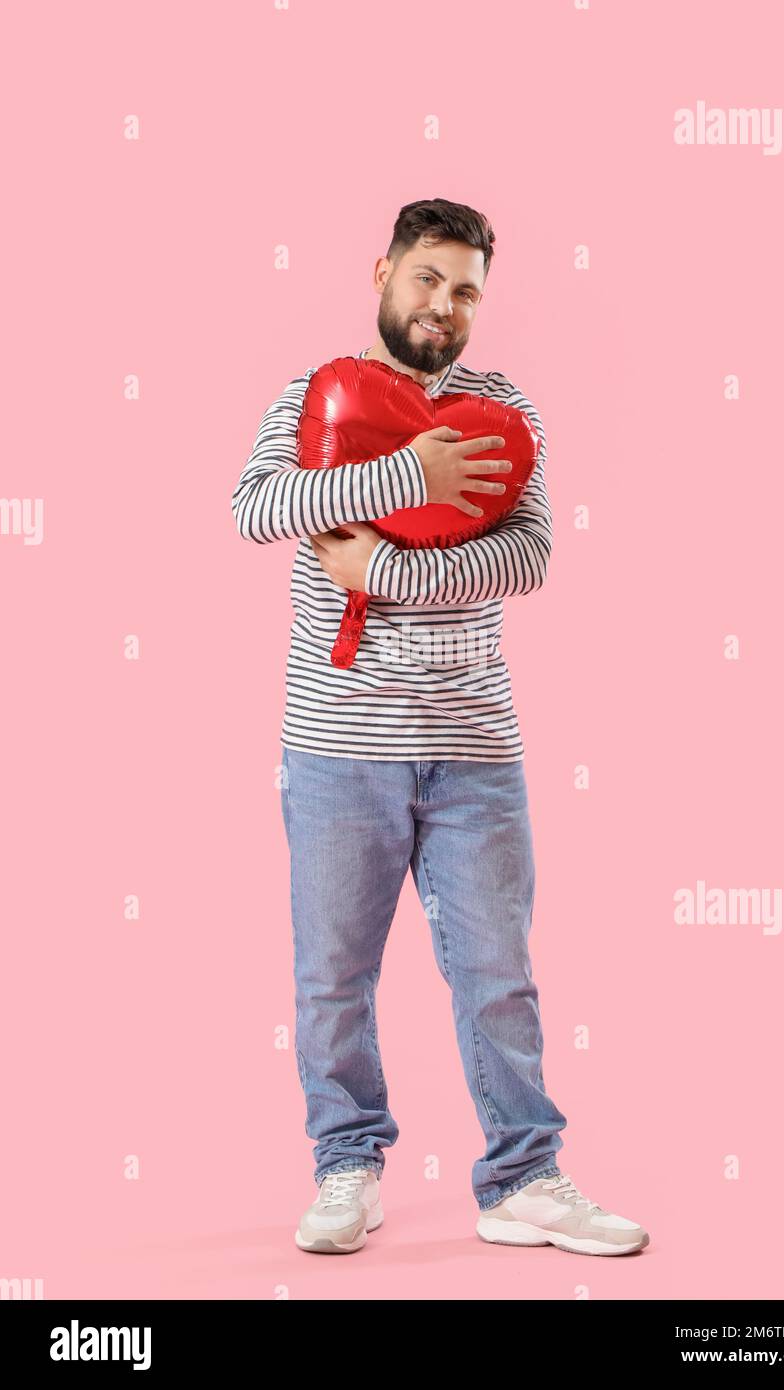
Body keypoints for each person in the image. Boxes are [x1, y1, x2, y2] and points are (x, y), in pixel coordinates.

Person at [231, 197, 649, 1258]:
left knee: (495, 971)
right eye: (427, 278)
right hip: (336, 742)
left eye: (465, 289)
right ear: (382, 271)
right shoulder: (313, 393)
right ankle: (345, 1165)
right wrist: (405, 476)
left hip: (475, 746)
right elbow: (255, 507)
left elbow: (528, 557)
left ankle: (523, 1176)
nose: (443, 305)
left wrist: (380, 566)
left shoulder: (503, 406)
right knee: (332, 973)